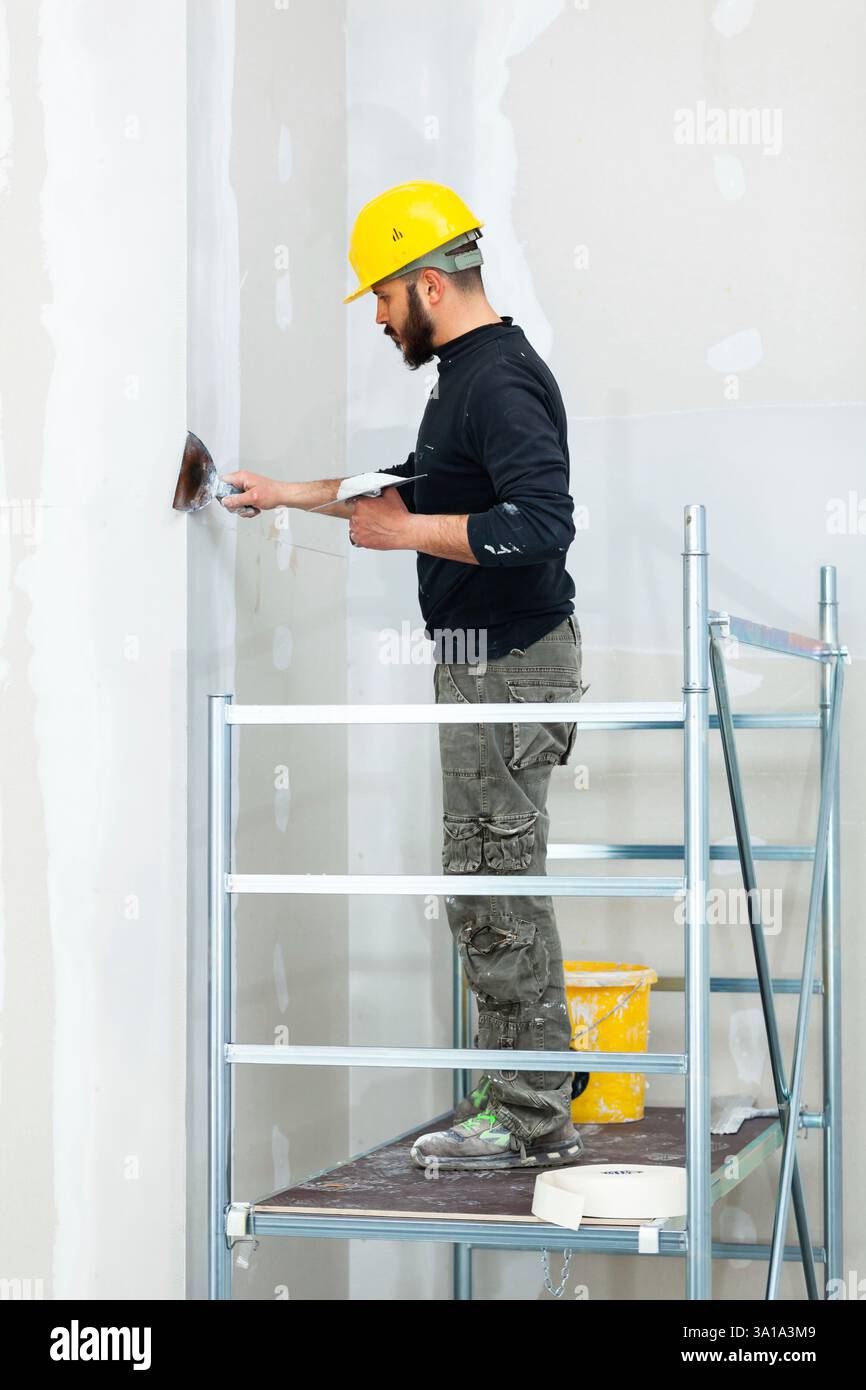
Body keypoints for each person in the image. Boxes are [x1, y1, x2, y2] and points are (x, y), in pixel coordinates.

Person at [221, 181, 590, 1172]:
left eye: (382, 298)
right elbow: (415, 488)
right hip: (485, 663)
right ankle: (536, 1082)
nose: (378, 318)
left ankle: (527, 1107)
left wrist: (402, 535)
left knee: (490, 876)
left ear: (429, 284)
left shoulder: (497, 377)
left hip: (506, 663)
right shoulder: (464, 377)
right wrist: (287, 494)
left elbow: (541, 523)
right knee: (480, 879)